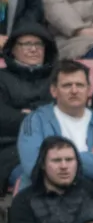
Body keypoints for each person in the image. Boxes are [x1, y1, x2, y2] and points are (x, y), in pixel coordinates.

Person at [17, 61, 93, 194]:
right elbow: (32, 165)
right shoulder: (35, 121)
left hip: (90, 203)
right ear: (54, 91)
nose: (74, 90)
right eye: (67, 85)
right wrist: (92, 159)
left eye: (80, 85)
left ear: (88, 89)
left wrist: (54, 159)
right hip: (43, 201)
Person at [0, 24, 57, 188]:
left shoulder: (57, 76)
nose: (34, 49)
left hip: (56, 145)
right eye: (26, 44)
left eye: (39, 44)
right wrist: (37, 116)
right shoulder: (2, 78)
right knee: (32, 178)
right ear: (13, 50)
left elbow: (65, 111)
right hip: (11, 150)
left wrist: (26, 115)